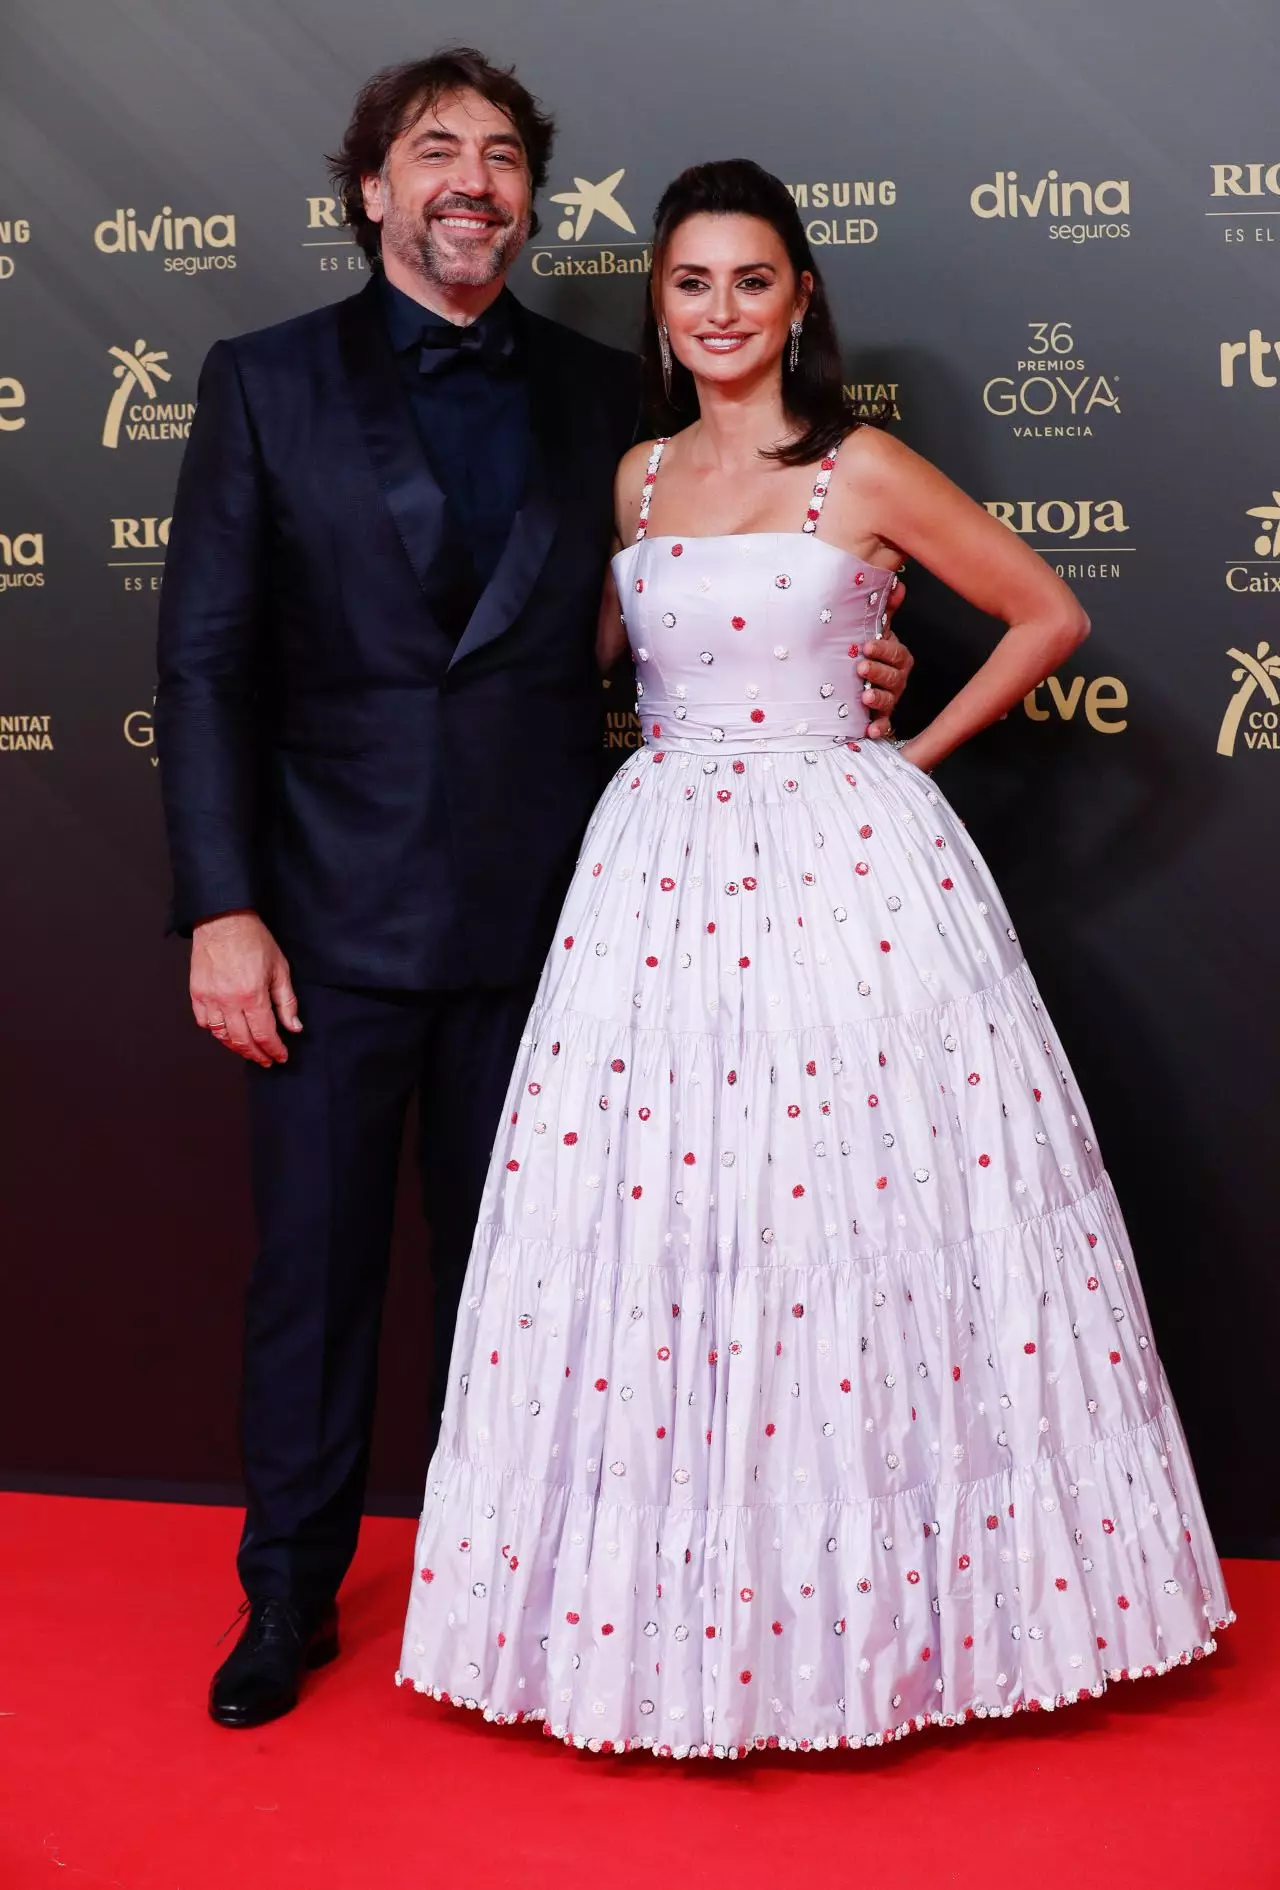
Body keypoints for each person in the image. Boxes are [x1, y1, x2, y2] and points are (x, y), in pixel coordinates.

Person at [397, 158, 1231, 1760]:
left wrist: (906, 753)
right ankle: (678, 1631)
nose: (721, 310)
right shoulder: (633, 477)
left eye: (752, 281)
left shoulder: (859, 466)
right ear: (660, 300)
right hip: (657, 875)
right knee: (672, 1238)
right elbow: (617, 669)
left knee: (857, 1223)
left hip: (845, 873)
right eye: (692, 282)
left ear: (799, 300)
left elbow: (1046, 613)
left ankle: (886, 1632)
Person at [154, 50, 917, 1731]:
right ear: (371, 188)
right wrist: (221, 901)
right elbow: (205, 665)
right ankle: (285, 1590)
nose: (474, 183)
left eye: (505, 157)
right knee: (315, 1276)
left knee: (548, 1290)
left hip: (565, 930)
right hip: (324, 923)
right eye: (437, 152)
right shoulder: (262, 381)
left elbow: (722, 583)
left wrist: (857, 655)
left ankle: (519, 1592)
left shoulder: (603, 399)